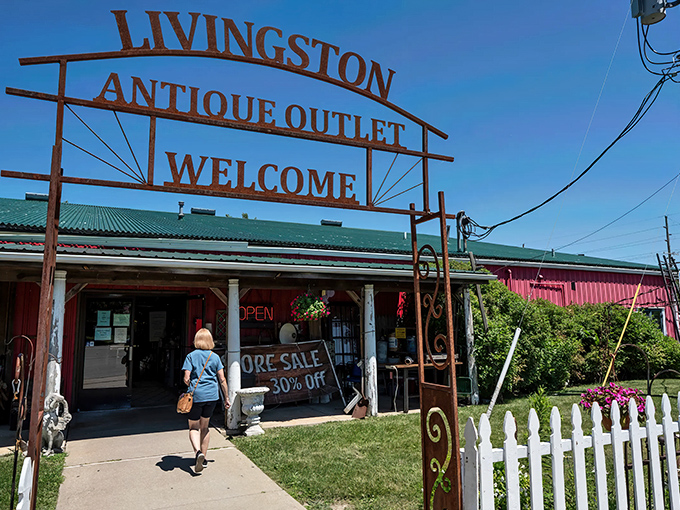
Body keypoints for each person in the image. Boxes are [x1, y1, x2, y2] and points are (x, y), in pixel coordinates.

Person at [182, 328, 230, 473]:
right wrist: (226, 397)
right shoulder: (215, 357)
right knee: (205, 427)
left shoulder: (191, 356)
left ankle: (198, 453)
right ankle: (205, 458)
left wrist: (189, 383)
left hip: (196, 397)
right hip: (212, 396)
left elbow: (186, 378)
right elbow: (222, 379)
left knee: (193, 427)